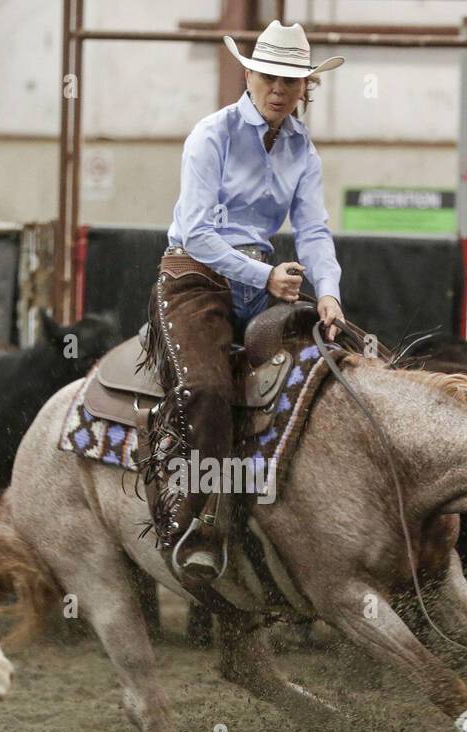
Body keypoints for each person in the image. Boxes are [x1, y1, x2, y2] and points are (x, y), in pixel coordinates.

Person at [141, 20, 347, 586]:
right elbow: (200, 233)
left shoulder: (304, 149)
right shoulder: (212, 135)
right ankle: (199, 523)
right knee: (207, 387)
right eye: (270, 76)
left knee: (332, 369)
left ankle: (320, 525)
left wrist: (327, 294)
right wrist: (265, 275)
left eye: (292, 81)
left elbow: (314, 233)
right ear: (250, 75)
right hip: (195, 278)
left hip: (263, 283)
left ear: (306, 88)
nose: (280, 90)